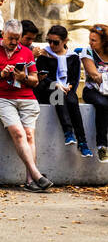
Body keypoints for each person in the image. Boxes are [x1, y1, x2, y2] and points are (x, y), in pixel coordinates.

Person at [0, 19, 53, 191]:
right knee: (18, 133)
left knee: (29, 135)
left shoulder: (26, 52)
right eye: (10, 38)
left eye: (17, 38)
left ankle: (30, 181)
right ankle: (37, 175)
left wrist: (23, 78)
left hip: (26, 97)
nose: (13, 42)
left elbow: (34, 81)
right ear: (3, 34)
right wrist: (0, 75)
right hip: (2, 97)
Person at [34, 25, 91, 158]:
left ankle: (82, 142)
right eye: (49, 41)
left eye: (56, 42)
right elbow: (42, 78)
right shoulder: (44, 55)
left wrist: (67, 87)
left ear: (65, 41)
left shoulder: (73, 57)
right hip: (48, 90)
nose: (52, 45)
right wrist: (57, 85)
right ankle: (68, 132)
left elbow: (74, 80)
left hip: (66, 89)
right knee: (58, 95)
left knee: (72, 100)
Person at [80, 24, 108, 163]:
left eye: (94, 40)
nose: (90, 43)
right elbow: (94, 75)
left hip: (105, 89)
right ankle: (102, 145)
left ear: (104, 42)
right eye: (90, 39)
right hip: (92, 91)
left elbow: (100, 77)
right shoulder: (87, 52)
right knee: (102, 104)